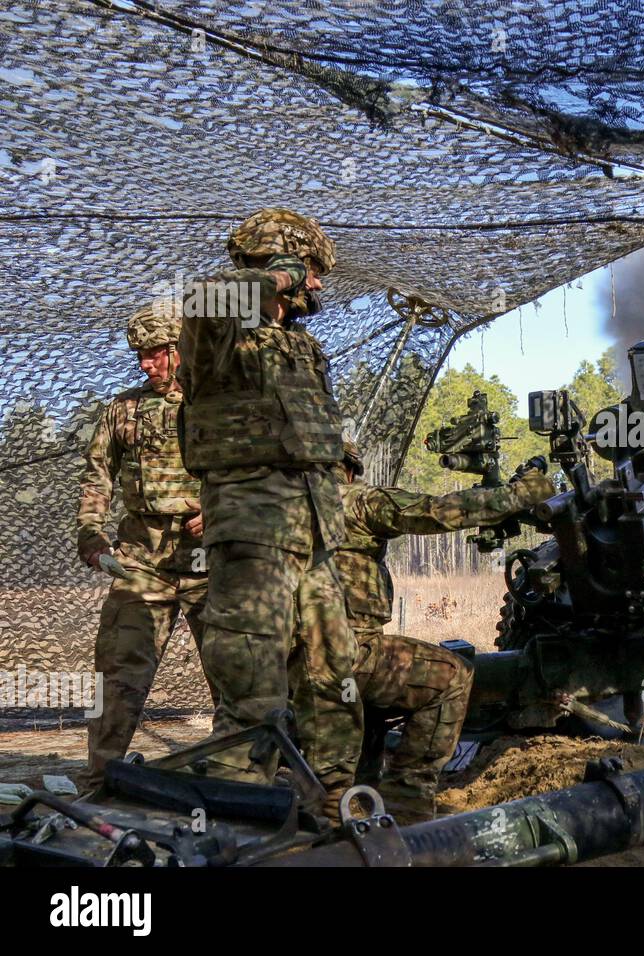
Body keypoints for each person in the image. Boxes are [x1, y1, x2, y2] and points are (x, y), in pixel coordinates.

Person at [176, 207, 360, 816]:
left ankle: (329, 808)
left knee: (332, 676)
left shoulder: (302, 347)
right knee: (254, 688)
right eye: (310, 271)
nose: (316, 286)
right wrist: (281, 274)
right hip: (254, 530)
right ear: (278, 264)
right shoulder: (219, 331)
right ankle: (231, 824)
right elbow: (206, 300)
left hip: (313, 531)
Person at [333, 439, 552, 814]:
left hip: (282, 656)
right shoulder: (353, 500)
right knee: (453, 676)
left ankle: (352, 801)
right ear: (349, 469)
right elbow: (440, 511)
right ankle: (407, 806)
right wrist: (519, 494)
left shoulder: (273, 510)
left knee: (367, 705)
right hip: (342, 652)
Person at [77, 298, 211, 789]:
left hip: (211, 564)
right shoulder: (124, 410)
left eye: (157, 352)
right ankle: (99, 780)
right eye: (141, 355)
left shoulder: (217, 404)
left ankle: (249, 780)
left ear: (183, 348)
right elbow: (97, 477)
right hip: (142, 562)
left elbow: (259, 476)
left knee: (242, 679)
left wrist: (218, 510)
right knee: (116, 677)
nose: (146, 363)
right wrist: (90, 534)